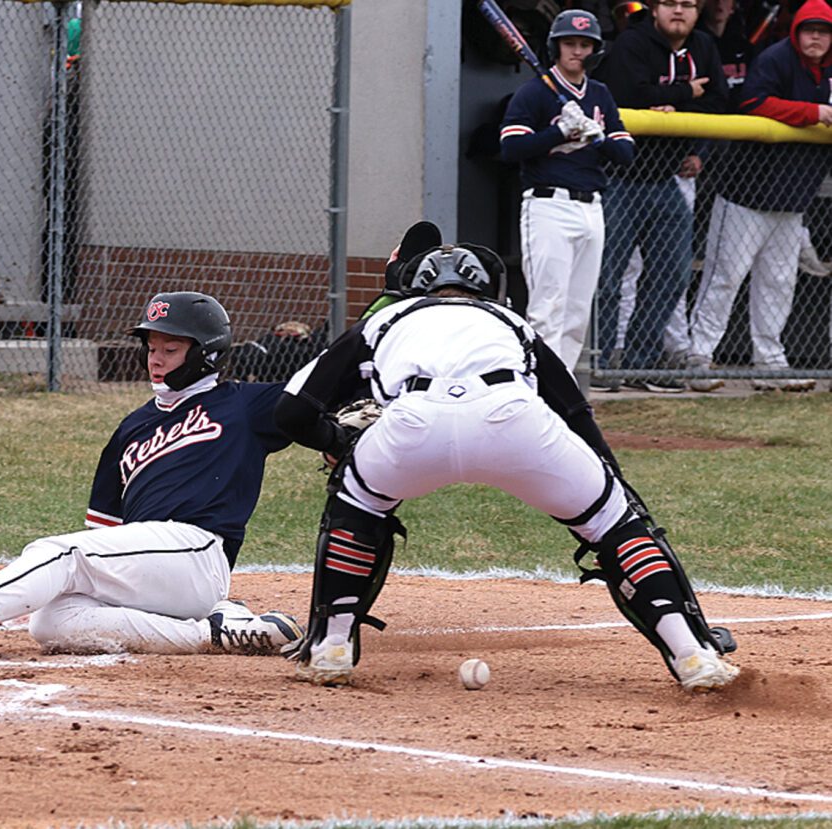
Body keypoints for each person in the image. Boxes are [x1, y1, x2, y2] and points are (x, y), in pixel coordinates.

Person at [274, 233, 739, 692]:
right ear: (490, 290)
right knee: (614, 526)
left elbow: (291, 412)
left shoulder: (387, 318)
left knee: (357, 506)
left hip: (414, 423)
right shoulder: (510, 320)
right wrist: (611, 486)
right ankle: (692, 652)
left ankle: (330, 646)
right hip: (513, 416)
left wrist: (338, 442)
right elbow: (575, 412)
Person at [0, 292, 303, 657]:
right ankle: (212, 632)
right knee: (51, 621)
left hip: (198, 554)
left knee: (62, 553)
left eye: (170, 349)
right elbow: (102, 530)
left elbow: (320, 392)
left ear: (204, 354)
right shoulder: (132, 428)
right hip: (153, 572)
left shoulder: (244, 405)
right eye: (151, 348)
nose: (155, 359)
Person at [685, 0, 832, 392]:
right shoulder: (776, 58)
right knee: (724, 278)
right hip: (745, 196)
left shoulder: (829, 69)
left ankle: (770, 363)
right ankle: (699, 357)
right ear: (796, 31)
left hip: (793, 200)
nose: (815, 37)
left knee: (779, 282)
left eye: (823, 30)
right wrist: (815, 113)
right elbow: (753, 102)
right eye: (809, 29)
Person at [592, 0, 730, 392]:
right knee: (608, 274)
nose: (679, 11)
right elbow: (626, 95)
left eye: (688, 4)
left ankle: (640, 363)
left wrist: (687, 129)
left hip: (666, 177)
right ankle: (600, 365)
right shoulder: (632, 43)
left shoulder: (703, 46)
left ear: (698, 12)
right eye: (670, 3)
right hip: (619, 176)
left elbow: (719, 101)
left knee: (673, 273)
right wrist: (686, 90)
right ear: (654, 9)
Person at [500, 10, 636, 374]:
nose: (577, 51)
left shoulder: (600, 95)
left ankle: (562, 396)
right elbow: (510, 150)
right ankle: (537, 393)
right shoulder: (533, 93)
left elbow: (626, 155)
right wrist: (558, 133)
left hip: (591, 208)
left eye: (584, 44)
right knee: (548, 308)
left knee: (577, 312)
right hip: (548, 205)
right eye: (569, 44)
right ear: (556, 47)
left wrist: (598, 134)